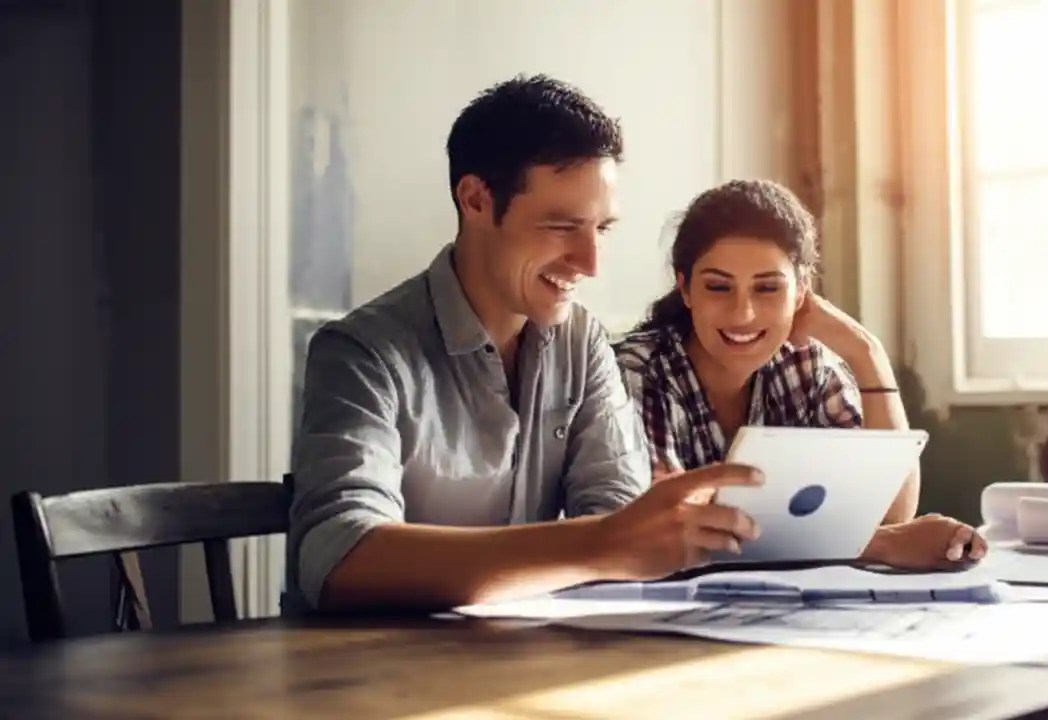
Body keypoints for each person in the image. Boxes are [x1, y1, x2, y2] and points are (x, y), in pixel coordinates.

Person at [286, 76, 764, 613]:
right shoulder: (362, 353)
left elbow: (619, 523)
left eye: (602, 229)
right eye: (561, 226)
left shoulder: (581, 342)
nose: (590, 263)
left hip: (525, 651)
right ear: (475, 200)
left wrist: (647, 531)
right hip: (377, 661)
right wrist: (599, 544)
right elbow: (340, 559)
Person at [615, 179, 987, 570]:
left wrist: (867, 354)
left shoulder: (808, 367)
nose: (743, 313)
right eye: (719, 287)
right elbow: (664, 529)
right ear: (686, 289)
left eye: (767, 288)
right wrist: (881, 545)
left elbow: (889, 514)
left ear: (800, 293)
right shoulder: (639, 373)